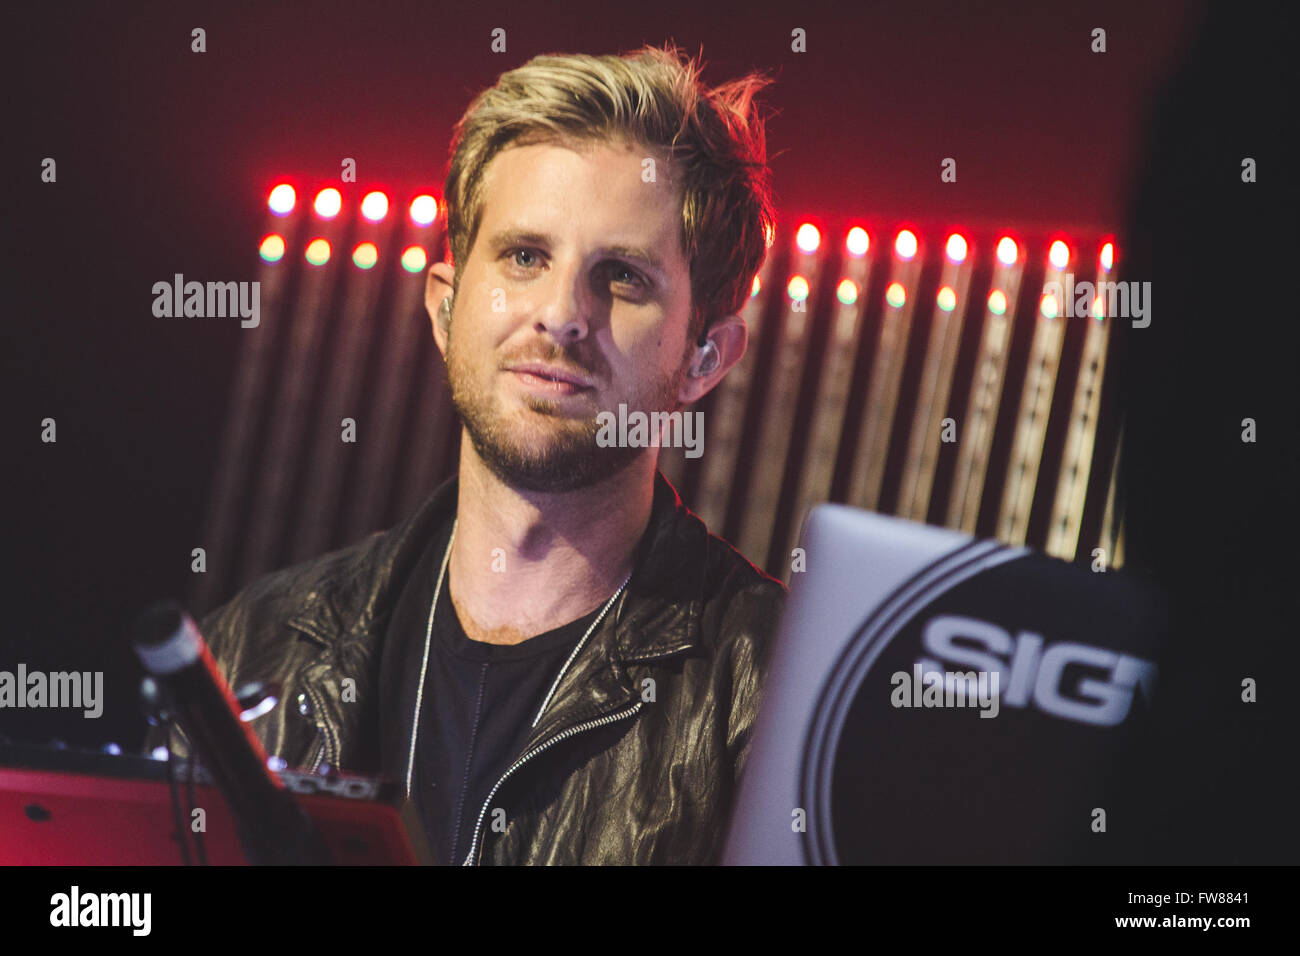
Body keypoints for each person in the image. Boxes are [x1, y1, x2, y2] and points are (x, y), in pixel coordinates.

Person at [146, 44, 786, 865]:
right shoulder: (251, 651)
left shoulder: (776, 698)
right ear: (446, 311)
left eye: (621, 277)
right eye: (525, 257)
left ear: (706, 357)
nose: (561, 314)